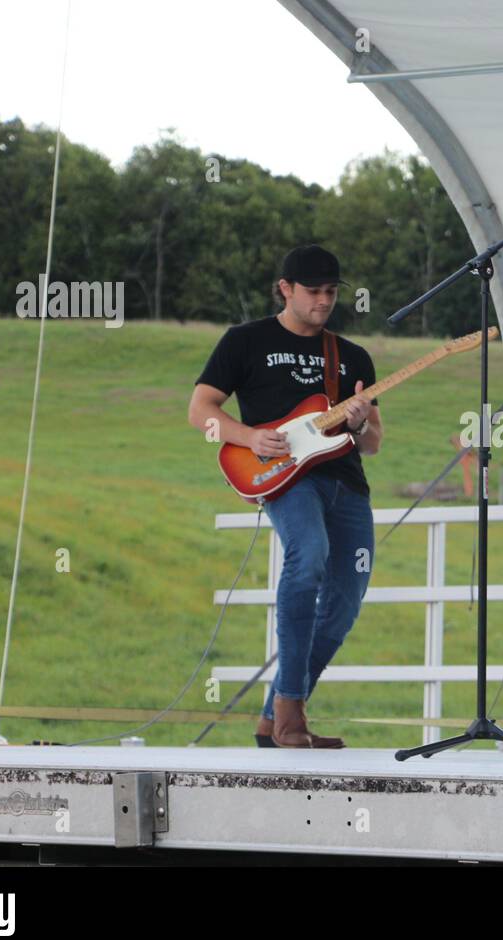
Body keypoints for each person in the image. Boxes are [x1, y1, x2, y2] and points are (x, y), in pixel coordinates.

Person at [187, 245, 382, 748]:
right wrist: (247, 437)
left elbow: (375, 442)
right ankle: (291, 716)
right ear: (285, 289)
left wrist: (360, 424)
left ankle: (274, 716)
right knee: (308, 554)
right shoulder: (245, 341)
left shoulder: (352, 356)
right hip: (286, 477)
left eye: (331, 292)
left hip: (348, 485)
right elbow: (200, 411)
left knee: (345, 599)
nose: (323, 302)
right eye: (313, 292)